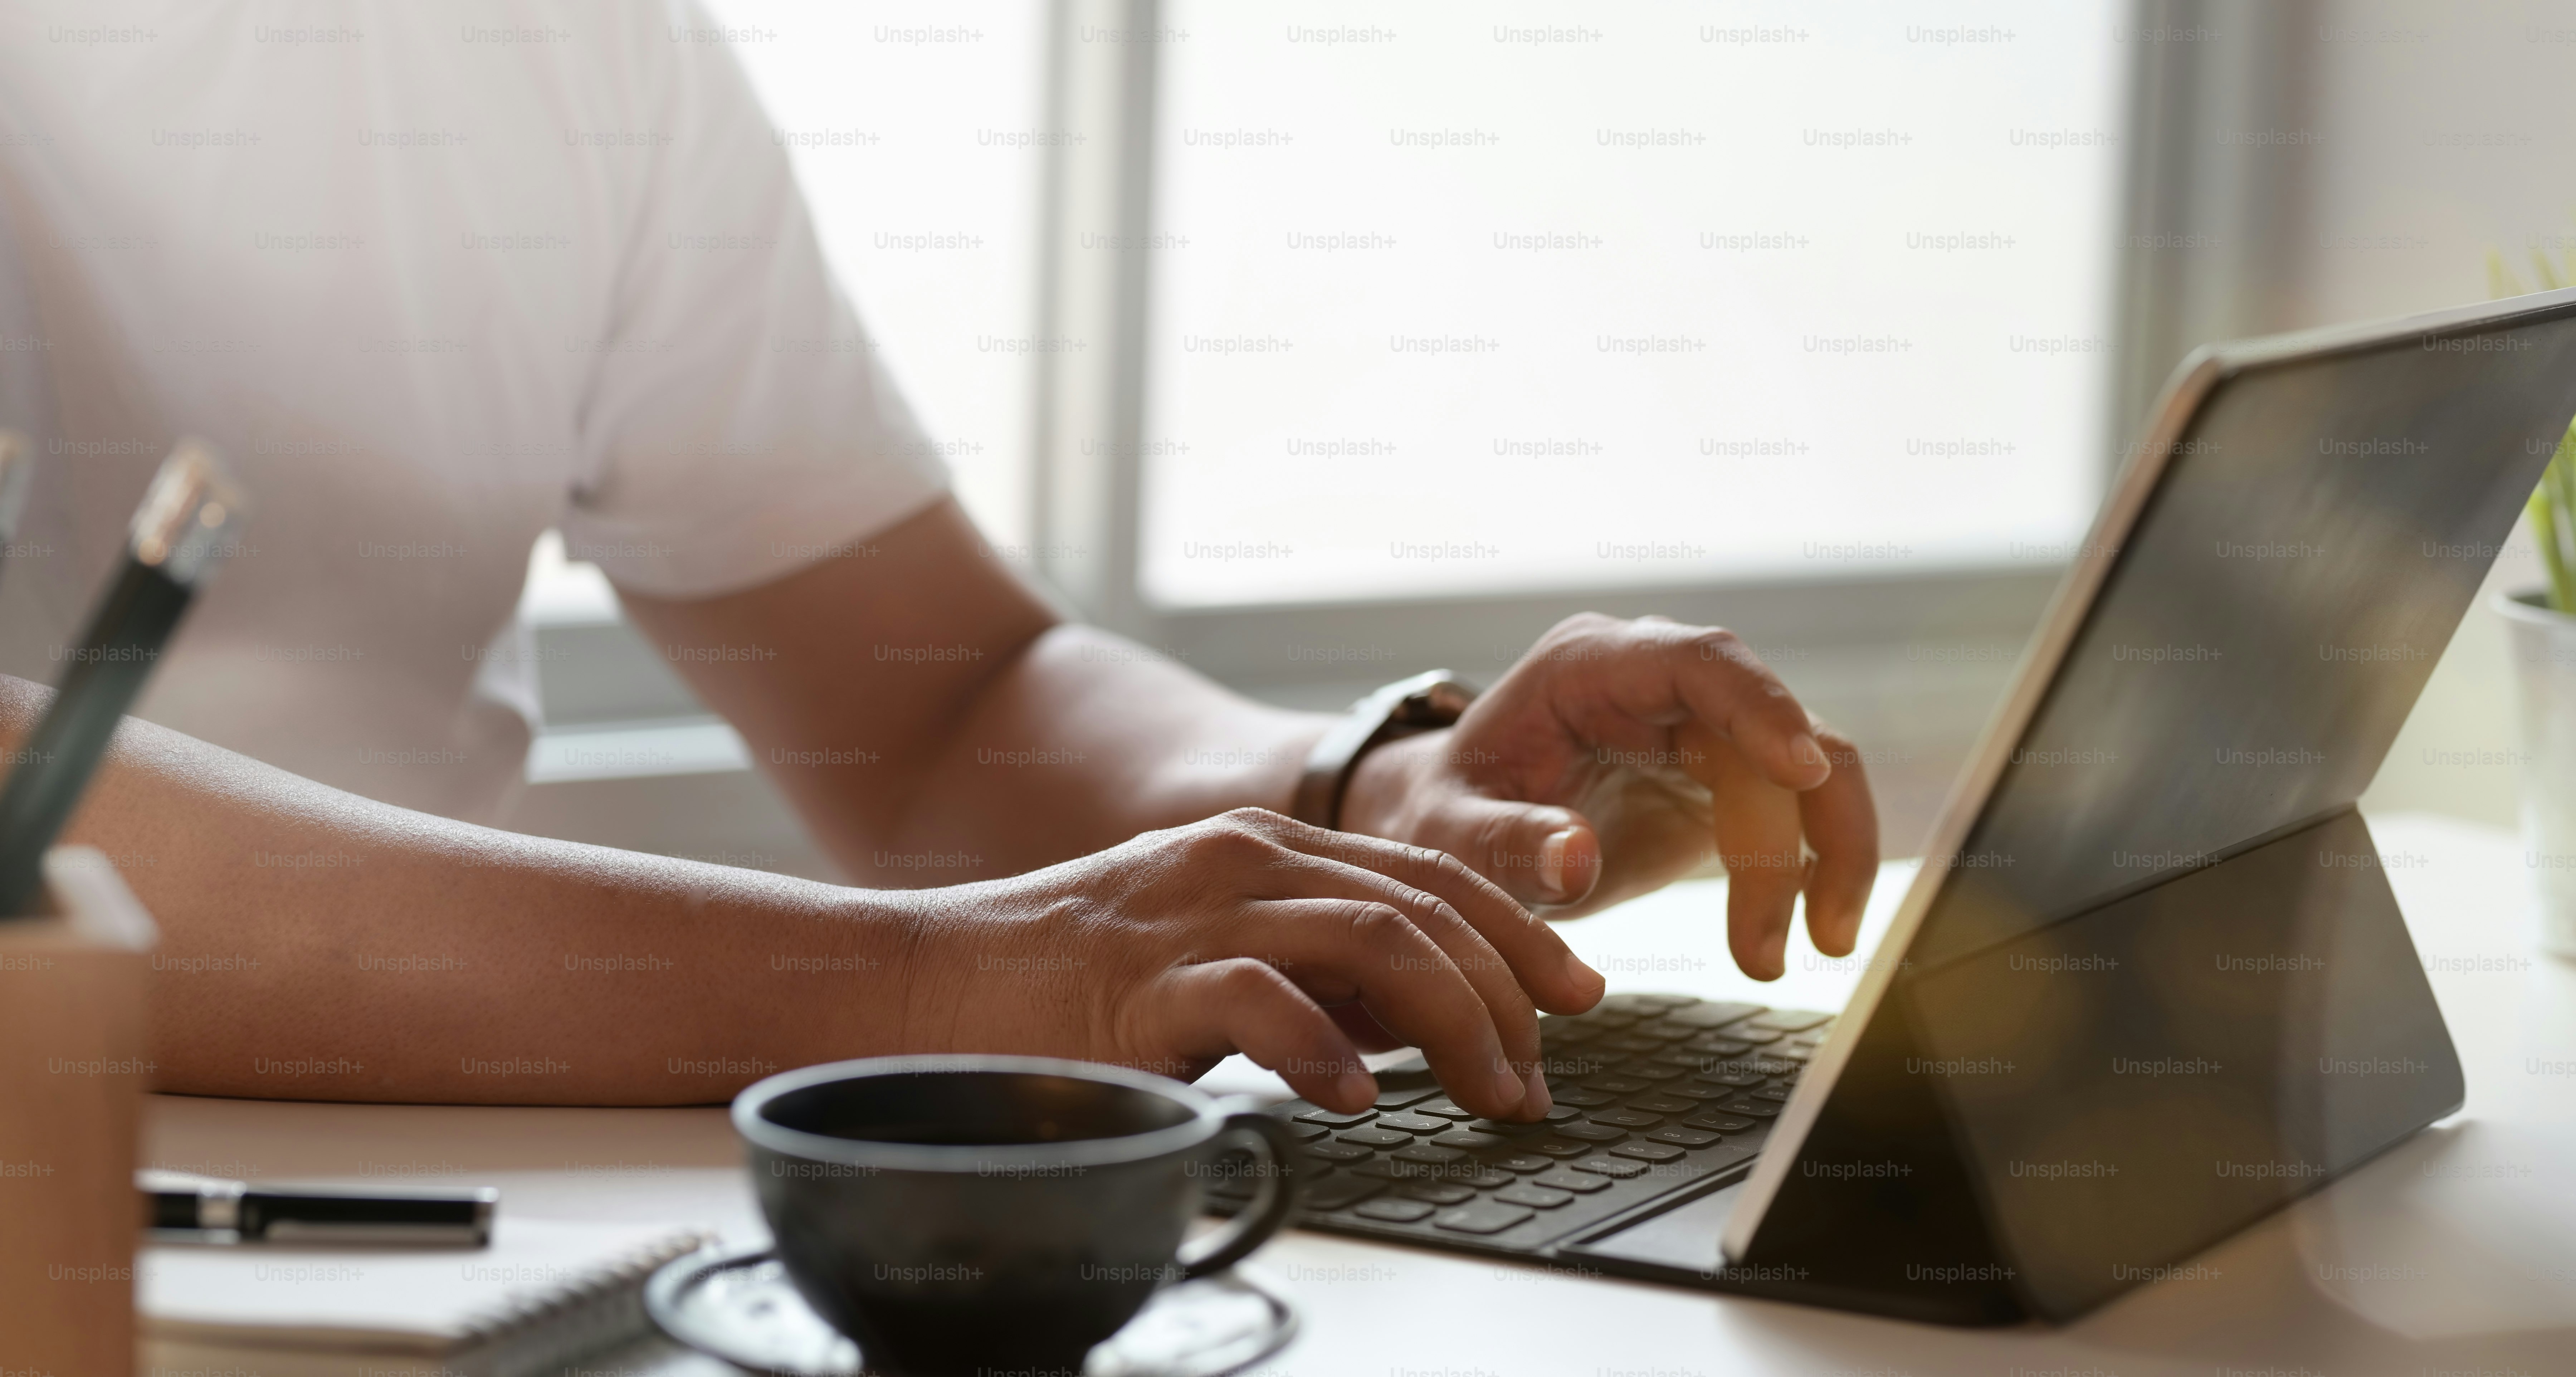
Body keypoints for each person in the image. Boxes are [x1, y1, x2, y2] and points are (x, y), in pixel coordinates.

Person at [0, 2, 1874, 1122]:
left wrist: (1372, 795)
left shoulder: (559, 48)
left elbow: (939, 702)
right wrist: (945, 983)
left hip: (478, 1246)